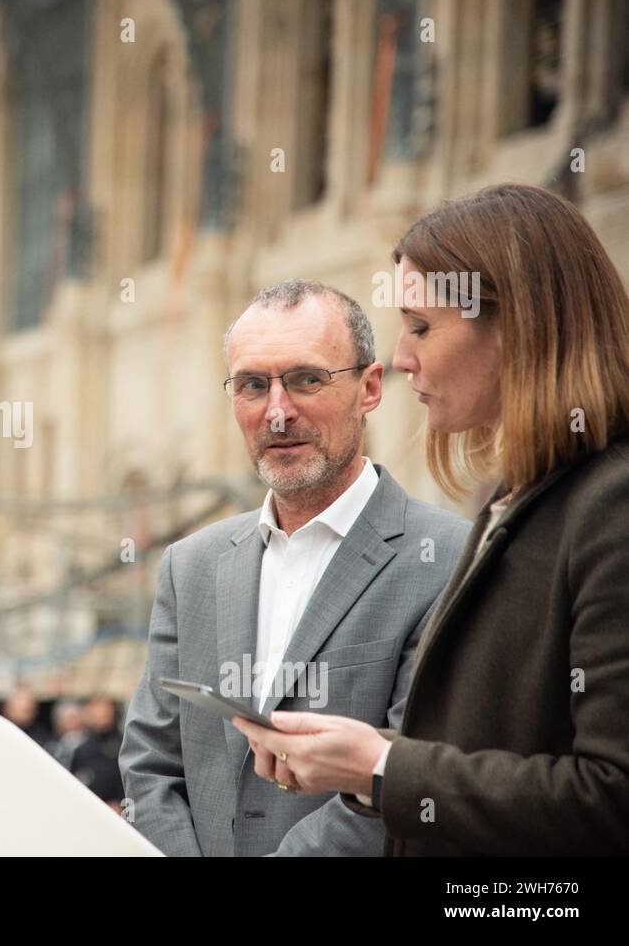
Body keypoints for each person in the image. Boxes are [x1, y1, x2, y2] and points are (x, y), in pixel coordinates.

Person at [235, 183, 629, 855]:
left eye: (420, 325)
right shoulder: (519, 500)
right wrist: (365, 766)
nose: (400, 357)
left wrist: (383, 767)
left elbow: (609, 796)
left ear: (518, 325)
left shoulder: (608, 506)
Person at [120, 281, 469, 856]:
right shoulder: (193, 566)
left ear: (371, 388)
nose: (277, 413)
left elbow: (412, 777)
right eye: (253, 385)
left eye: (307, 380)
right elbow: (150, 764)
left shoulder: (446, 559)